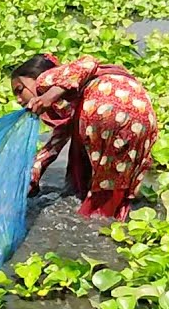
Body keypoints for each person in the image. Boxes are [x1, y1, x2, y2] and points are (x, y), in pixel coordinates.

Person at [12, 53, 158, 220]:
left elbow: (88, 62)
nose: (18, 100)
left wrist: (47, 96)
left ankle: (91, 222)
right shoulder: (72, 101)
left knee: (101, 188)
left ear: (34, 77)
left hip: (103, 107)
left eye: (20, 90)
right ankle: (107, 223)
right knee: (114, 185)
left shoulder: (47, 78)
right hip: (142, 117)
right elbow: (53, 146)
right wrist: (33, 175)